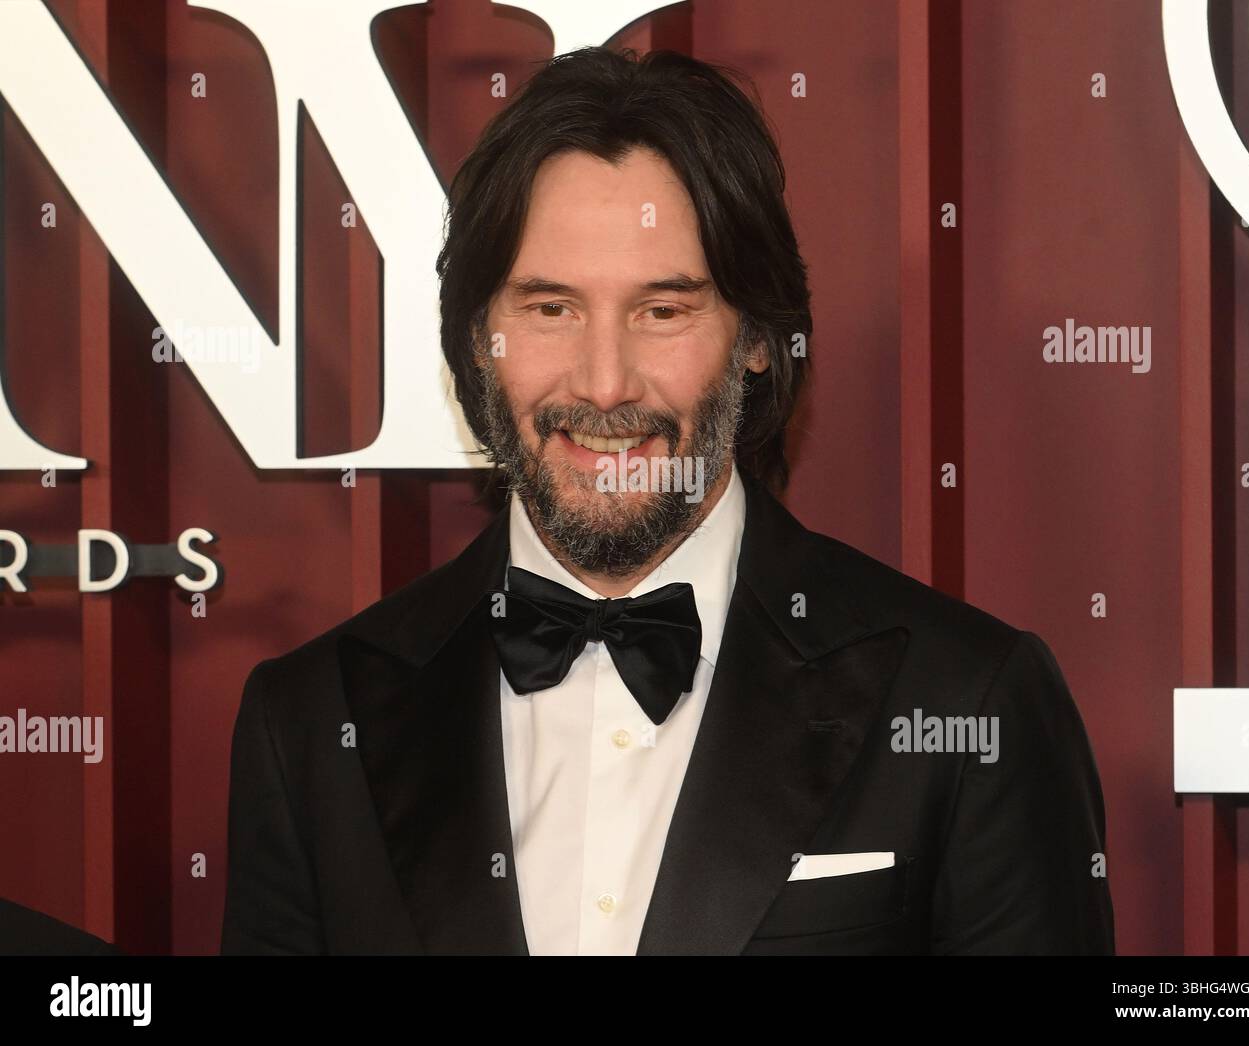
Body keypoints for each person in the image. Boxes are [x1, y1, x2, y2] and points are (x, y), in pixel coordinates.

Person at [221, 46, 1114, 955]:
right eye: (550, 309)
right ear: (477, 341)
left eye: (663, 310)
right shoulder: (308, 724)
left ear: (758, 340)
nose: (605, 387)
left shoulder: (967, 700)